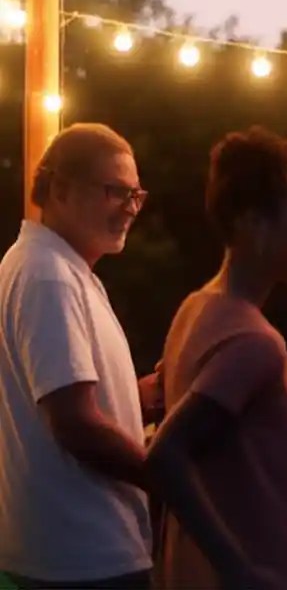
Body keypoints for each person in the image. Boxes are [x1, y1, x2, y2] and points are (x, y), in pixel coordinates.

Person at [147, 127, 287, 590]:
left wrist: (277, 442)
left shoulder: (196, 307)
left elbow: (215, 438)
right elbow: (167, 453)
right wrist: (240, 569)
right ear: (253, 223)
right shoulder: (255, 341)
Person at [0, 124, 152, 589]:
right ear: (60, 189)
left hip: (69, 551)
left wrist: (158, 394)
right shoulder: (49, 275)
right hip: (83, 554)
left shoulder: (57, 266)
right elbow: (74, 422)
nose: (130, 209)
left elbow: (65, 397)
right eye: (114, 192)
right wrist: (172, 476)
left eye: (136, 195)